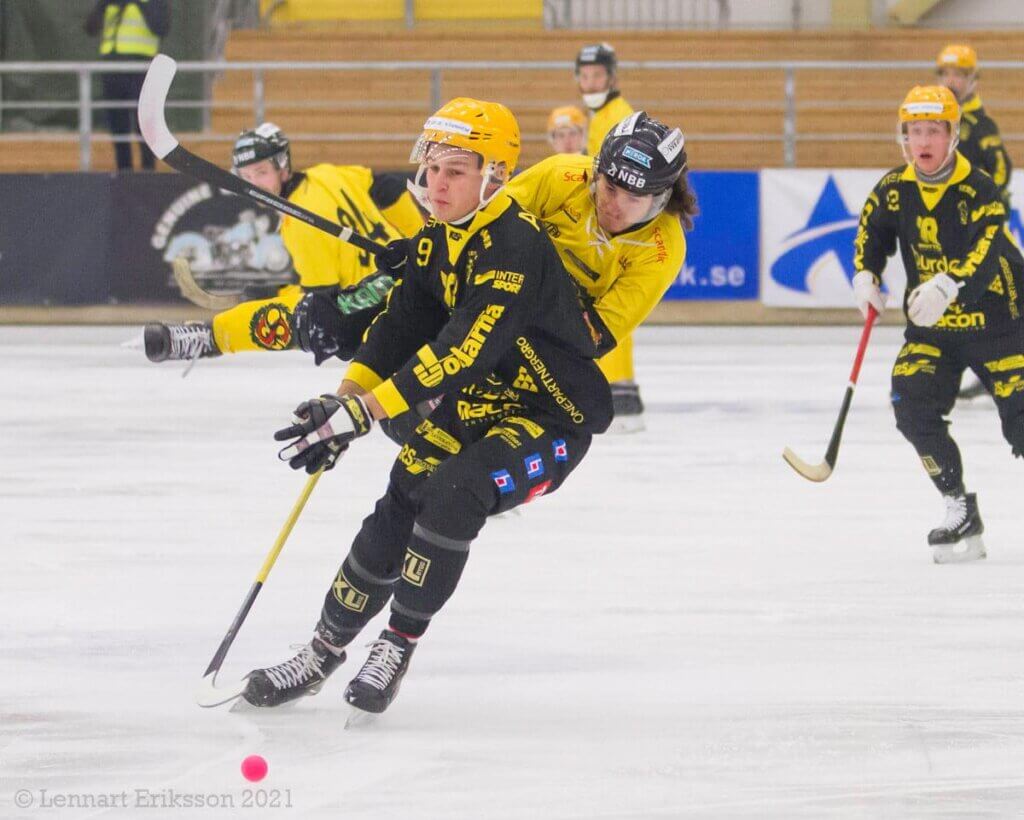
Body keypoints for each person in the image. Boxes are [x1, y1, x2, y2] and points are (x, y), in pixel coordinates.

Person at [240, 97, 613, 716]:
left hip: (551, 417)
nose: (436, 183)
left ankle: (398, 642)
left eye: (455, 171)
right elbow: (397, 327)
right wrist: (344, 401)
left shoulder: (514, 247)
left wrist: (367, 415)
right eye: (433, 167)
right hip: (480, 403)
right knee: (402, 495)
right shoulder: (436, 239)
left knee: (454, 492)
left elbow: (458, 351)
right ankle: (321, 652)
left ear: (494, 175)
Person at [851, 85, 1024, 564]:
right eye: (914, 131)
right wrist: (866, 274)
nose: (923, 141)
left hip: (1002, 323)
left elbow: (986, 255)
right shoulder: (893, 188)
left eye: (934, 130)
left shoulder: (981, 190)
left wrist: (948, 286)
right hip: (935, 331)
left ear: (953, 135)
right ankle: (958, 506)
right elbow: (872, 232)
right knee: (910, 401)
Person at [144, 123, 423, 363]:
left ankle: (206, 338)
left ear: (283, 166)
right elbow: (387, 187)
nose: (255, 184)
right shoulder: (326, 174)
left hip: (380, 312)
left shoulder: (300, 224)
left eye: (261, 172)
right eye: (247, 176)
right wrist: (421, 241)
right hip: (412, 277)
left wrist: (276, 298)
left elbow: (322, 307)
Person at [508, 111, 697, 433]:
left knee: (590, 407)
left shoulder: (665, 249)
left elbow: (593, 337)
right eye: (609, 187)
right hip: (494, 300)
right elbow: (478, 234)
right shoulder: (560, 174)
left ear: (661, 198)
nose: (614, 206)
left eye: (634, 197)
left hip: (544, 339)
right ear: (596, 172)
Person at [935, 44, 1016, 400]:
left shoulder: (980, 125)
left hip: (981, 228)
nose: (951, 81)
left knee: (993, 297)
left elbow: (1002, 169)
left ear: (973, 81)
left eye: (960, 75)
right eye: (946, 74)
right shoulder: (938, 120)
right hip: (952, 228)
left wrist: (983, 202)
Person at [84, 0, 169, 172]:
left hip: (141, 67)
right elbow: (90, 28)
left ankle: (148, 171)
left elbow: (161, 28)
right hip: (112, 66)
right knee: (117, 125)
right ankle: (124, 171)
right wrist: (102, 5)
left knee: (144, 125)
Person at [575, 43, 634, 156]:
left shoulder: (620, 117)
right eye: (584, 76)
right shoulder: (597, 114)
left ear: (611, 78)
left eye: (597, 75)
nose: (590, 84)